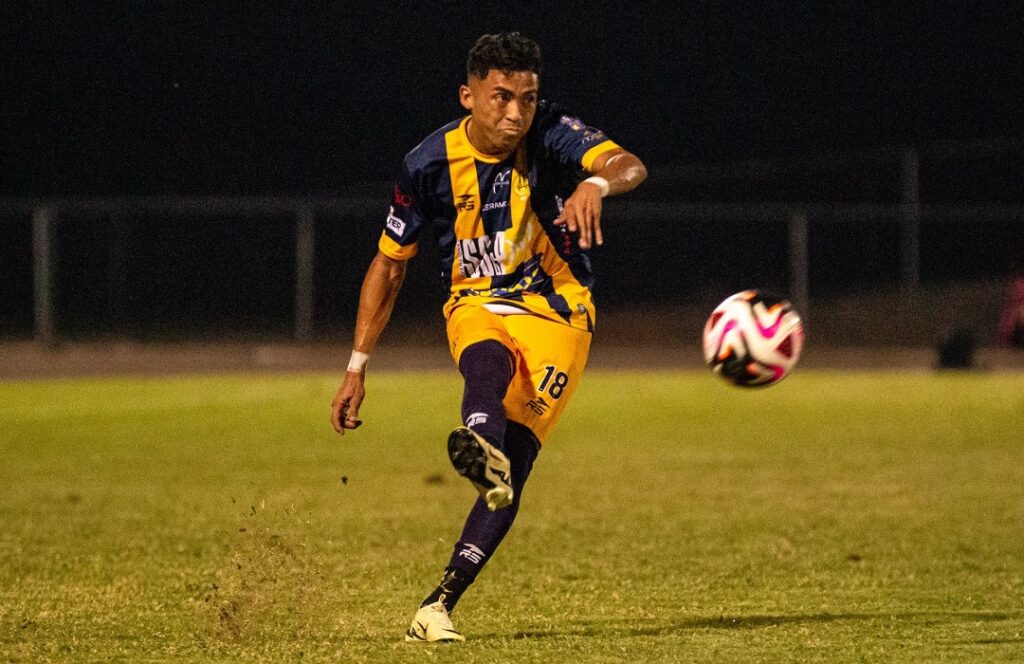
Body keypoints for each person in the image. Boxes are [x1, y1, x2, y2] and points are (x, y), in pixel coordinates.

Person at [330, 32, 647, 642]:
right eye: (501, 97)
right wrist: (356, 365)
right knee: (485, 352)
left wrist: (595, 184)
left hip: (561, 311)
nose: (515, 113)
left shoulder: (550, 131)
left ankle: (437, 605)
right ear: (468, 95)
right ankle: (480, 438)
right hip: (475, 299)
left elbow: (628, 164)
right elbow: (390, 264)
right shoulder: (427, 164)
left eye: (527, 98)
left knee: (515, 471)